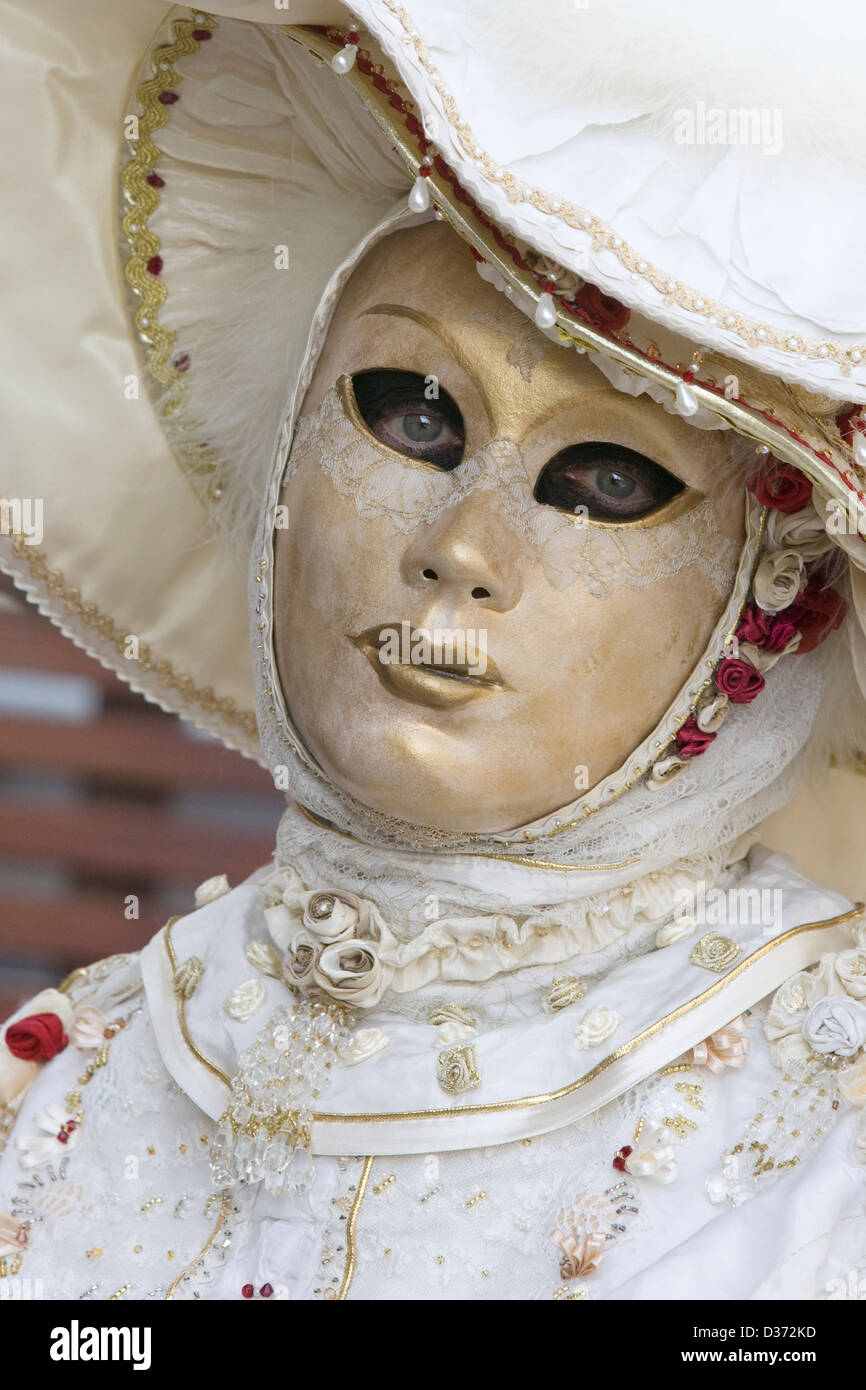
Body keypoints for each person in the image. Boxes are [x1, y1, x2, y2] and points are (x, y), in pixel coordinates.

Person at [1, 1, 865, 1301]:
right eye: (411, 410)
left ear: (768, 595)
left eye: (607, 479)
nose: (461, 547)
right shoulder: (63, 1083)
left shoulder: (823, 1138)